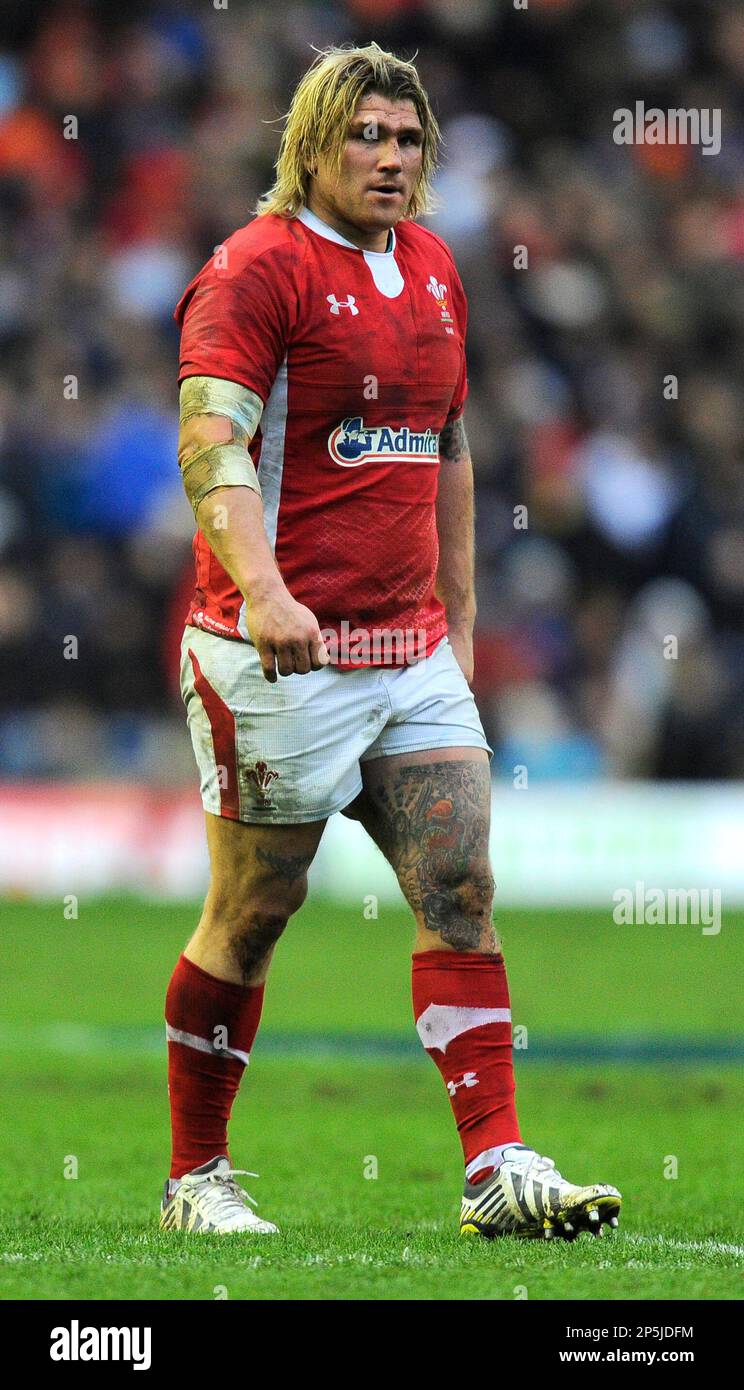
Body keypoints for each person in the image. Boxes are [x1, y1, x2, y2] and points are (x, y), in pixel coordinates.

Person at [160, 42, 621, 1240]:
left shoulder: (433, 268)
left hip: (405, 651)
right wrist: (261, 586)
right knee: (257, 911)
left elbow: (449, 445)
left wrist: (458, 618)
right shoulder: (253, 270)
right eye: (367, 136)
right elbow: (211, 445)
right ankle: (195, 1177)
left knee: (461, 887)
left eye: (410, 140)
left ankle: (496, 1165)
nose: (391, 159)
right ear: (312, 146)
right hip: (276, 653)